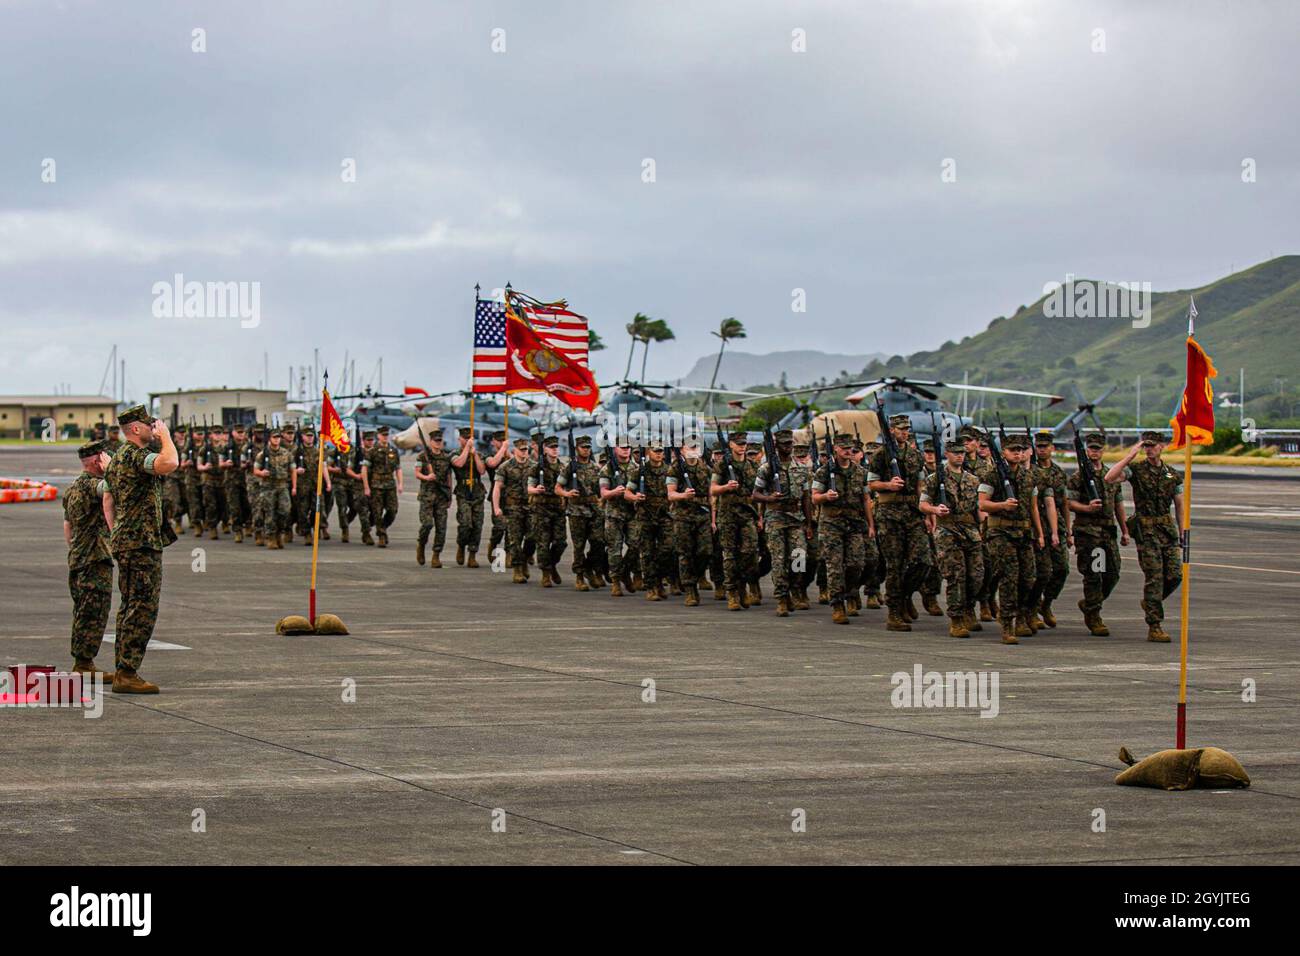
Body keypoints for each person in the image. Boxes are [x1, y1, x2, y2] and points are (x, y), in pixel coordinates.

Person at [101, 405, 179, 693]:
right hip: (141, 544)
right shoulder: (136, 456)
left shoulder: (118, 458)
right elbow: (170, 463)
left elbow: (107, 499)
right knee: (142, 607)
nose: (153, 428)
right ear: (136, 429)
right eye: (148, 425)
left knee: (129, 605)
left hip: (127, 541)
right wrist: (166, 437)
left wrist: (116, 532)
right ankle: (127, 672)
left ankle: (125, 667)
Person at [1104, 430, 1182, 642]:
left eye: (1152, 445)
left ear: (1161, 446)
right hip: (1146, 532)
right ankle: (1154, 625)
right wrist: (1130, 455)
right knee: (1154, 577)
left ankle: (1150, 601)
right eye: (1145, 445)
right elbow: (1110, 478)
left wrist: (1183, 531)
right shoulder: (1136, 470)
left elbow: (1179, 504)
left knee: (1175, 575)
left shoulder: (1172, 473)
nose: (1149, 449)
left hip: (1167, 530)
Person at [868, 414, 933, 631]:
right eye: (900, 428)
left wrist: (927, 513)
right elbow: (871, 484)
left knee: (923, 560)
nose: (904, 432)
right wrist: (888, 484)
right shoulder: (880, 455)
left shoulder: (915, 455)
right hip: (889, 514)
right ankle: (894, 611)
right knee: (895, 565)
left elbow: (920, 486)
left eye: (907, 428)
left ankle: (905, 595)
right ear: (891, 430)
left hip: (912, 512)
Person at [978, 434, 1042, 644]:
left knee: (1029, 578)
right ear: (1004, 452)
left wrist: (1039, 533)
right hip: (1001, 533)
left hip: (1023, 533)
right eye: (1013, 450)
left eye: (1021, 450)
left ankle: (1022, 615)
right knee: (1009, 578)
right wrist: (1002, 506)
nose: (1018, 453)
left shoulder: (1028, 477)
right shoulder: (992, 475)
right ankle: (1007, 623)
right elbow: (983, 504)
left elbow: (1033, 508)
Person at [920, 440, 984, 637]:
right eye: (955, 453)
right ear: (946, 454)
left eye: (962, 453)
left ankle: (968, 608)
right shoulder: (934, 479)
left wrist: (983, 526)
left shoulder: (973, 480)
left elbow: (978, 508)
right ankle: (956, 618)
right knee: (956, 575)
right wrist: (934, 510)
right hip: (948, 530)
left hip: (970, 530)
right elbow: (922, 504)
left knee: (977, 576)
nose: (959, 456)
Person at [64, 439, 115, 679]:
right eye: (105, 456)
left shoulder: (73, 487)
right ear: (97, 460)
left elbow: (68, 526)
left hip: (78, 557)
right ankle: (84, 664)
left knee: (82, 610)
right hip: (94, 558)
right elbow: (112, 489)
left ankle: (82, 661)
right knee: (93, 611)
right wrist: (113, 470)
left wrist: (76, 549)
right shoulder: (92, 486)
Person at [1068, 432, 1128, 635]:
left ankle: (1090, 603)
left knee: (1113, 574)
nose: (1094, 452)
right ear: (1086, 450)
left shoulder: (1112, 475)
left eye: (1098, 448)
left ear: (1103, 450)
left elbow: (1118, 504)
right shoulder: (1078, 477)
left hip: (1108, 531)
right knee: (1094, 575)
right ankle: (1094, 615)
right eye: (1091, 448)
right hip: (1088, 532)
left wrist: (1125, 530)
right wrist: (1086, 508)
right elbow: (1069, 503)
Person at [753, 429, 812, 617]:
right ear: (777, 446)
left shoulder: (800, 468)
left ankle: (796, 587)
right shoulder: (767, 468)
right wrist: (769, 498)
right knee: (778, 560)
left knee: (799, 557)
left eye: (790, 444)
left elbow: (805, 497)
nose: (788, 447)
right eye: (785, 444)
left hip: (796, 518)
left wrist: (809, 523)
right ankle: (781, 598)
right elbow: (755, 494)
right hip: (776, 517)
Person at [811, 433, 868, 624]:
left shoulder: (860, 472)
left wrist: (871, 524)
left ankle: (850, 592)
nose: (847, 451)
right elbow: (814, 497)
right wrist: (826, 496)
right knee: (834, 566)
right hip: (832, 524)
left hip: (854, 524)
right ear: (835, 449)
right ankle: (837, 604)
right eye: (843, 448)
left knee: (856, 564)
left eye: (850, 448)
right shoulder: (824, 471)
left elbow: (866, 500)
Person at [711, 431, 760, 611]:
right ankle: (732, 592)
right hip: (728, 515)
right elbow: (713, 489)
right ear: (730, 445)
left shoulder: (752, 466)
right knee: (730, 556)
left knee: (749, 553)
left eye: (744, 443)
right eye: (738, 443)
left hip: (747, 514)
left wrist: (759, 517)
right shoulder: (722, 465)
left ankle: (742, 586)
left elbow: (756, 493)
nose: (742, 446)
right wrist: (726, 487)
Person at [1028, 430, 1068, 627]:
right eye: (1038, 446)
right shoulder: (1030, 470)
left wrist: (1067, 530)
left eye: (1045, 446)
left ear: (1052, 448)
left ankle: (1047, 603)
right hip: (1036, 526)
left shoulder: (1059, 472)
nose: (1041, 450)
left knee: (1062, 569)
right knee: (1041, 572)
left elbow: (1063, 504)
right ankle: (1032, 609)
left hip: (1056, 525)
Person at [666, 439, 713, 607]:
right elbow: (671, 495)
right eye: (690, 446)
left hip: (703, 515)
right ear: (682, 450)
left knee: (705, 551)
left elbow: (711, 496)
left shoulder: (706, 468)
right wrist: (683, 496)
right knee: (685, 553)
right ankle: (690, 589)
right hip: (683, 516)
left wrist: (713, 519)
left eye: (697, 446)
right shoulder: (675, 468)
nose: (694, 449)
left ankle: (697, 576)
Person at [555, 434, 605, 591]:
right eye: (583, 447)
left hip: (594, 510)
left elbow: (601, 491)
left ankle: (589, 567)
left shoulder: (596, 468)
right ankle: (579, 576)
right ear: (577, 449)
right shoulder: (570, 467)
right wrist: (567, 494)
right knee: (579, 545)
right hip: (577, 511)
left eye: (589, 447)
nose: (586, 450)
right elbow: (557, 488)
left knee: (598, 542)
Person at [625, 440, 672, 601]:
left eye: (661, 451)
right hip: (645, 516)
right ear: (648, 453)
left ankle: (659, 578)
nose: (659, 453)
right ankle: (651, 586)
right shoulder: (640, 472)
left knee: (668, 549)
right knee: (647, 552)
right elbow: (627, 493)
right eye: (655, 451)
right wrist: (635, 497)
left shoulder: (670, 470)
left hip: (665, 515)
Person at [492, 437, 534, 582]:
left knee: (532, 537)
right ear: (515, 451)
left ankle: (524, 559)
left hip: (531, 507)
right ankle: (517, 569)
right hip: (513, 507)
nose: (524, 452)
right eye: (521, 450)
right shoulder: (506, 466)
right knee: (515, 539)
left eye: (526, 449)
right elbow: (497, 488)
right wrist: (496, 507)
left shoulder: (534, 466)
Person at [600, 438, 637, 595]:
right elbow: (603, 493)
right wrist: (614, 492)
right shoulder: (607, 469)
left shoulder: (637, 468)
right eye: (622, 447)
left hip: (632, 514)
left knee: (636, 544)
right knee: (614, 550)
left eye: (628, 447)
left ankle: (624, 571)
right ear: (615, 449)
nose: (626, 450)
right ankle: (616, 581)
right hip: (614, 514)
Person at [414, 428, 454, 567]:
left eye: (440, 441)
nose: (438, 443)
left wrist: (449, 495)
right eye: (435, 441)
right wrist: (427, 477)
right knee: (427, 524)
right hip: (427, 496)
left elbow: (449, 477)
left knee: (441, 528)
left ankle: (436, 555)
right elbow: (417, 473)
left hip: (441, 497)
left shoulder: (446, 457)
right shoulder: (422, 456)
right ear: (430, 442)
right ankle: (421, 545)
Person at [451, 427, 487, 567]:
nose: (466, 441)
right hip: (463, 492)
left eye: (469, 439)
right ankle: (461, 546)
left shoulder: (478, 454)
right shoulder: (454, 453)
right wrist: (467, 450)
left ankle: (472, 554)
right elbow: (459, 463)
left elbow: (482, 470)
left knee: (477, 525)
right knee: (465, 523)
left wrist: (475, 454)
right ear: (460, 439)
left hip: (477, 491)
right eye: (464, 438)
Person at [253, 428, 294, 549]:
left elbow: (293, 470)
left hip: (282, 486)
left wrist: (294, 487)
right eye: (274, 437)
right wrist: (261, 473)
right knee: (269, 512)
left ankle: (279, 533)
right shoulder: (262, 454)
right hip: (268, 487)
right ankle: (271, 537)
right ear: (270, 439)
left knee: (285, 511)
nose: (277, 440)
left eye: (278, 437)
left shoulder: (286, 453)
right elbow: (255, 470)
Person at [367, 425, 403, 547]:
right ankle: (381, 535)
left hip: (390, 485)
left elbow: (398, 468)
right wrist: (366, 487)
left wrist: (400, 484)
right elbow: (364, 469)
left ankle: (382, 527)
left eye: (387, 435)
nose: (385, 437)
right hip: (376, 485)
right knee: (377, 512)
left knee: (392, 510)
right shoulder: (372, 451)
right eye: (383, 435)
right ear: (378, 436)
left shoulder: (393, 451)